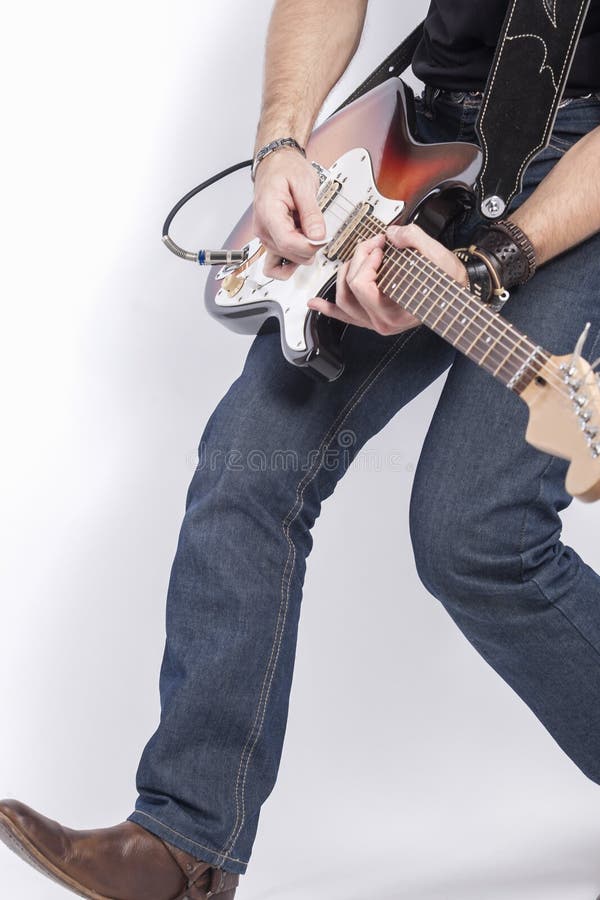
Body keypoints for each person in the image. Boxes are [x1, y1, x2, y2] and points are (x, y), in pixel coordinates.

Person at [1, 1, 600, 898]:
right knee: (248, 467)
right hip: (422, 144)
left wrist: (488, 264)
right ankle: (184, 845)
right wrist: (283, 143)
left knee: (476, 532)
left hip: (578, 174)